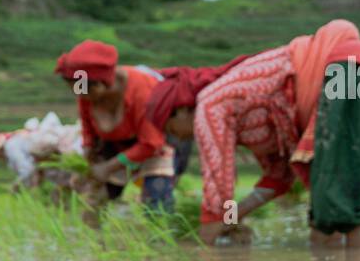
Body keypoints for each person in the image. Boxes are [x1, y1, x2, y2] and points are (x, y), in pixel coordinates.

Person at [160, 20, 360, 247]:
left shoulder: (208, 103)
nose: (181, 139)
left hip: (352, 73)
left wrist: (205, 241)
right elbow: (279, 177)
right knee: (329, 212)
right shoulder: (253, 108)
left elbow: (218, 182)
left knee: (354, 208)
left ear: (182, 111)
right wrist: (233, 219)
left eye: (172, 130)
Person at [53, 40, 250, 213]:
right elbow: (88, 126)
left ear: (102, 84)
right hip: (116, 142)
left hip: (158, 143)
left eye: (88, 92)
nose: (83, 98)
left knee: (157, 203)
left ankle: (161, 243)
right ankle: (93, 238)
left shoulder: (142, 90)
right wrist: (89, 154)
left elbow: (151, 142)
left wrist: (107, 167)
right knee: (95, 200)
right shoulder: (84, 89)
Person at [0, 112, 83, 188]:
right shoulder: (16, 142)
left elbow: (27, 170)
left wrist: (17, 186)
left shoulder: (11, 147)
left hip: (62, 153)